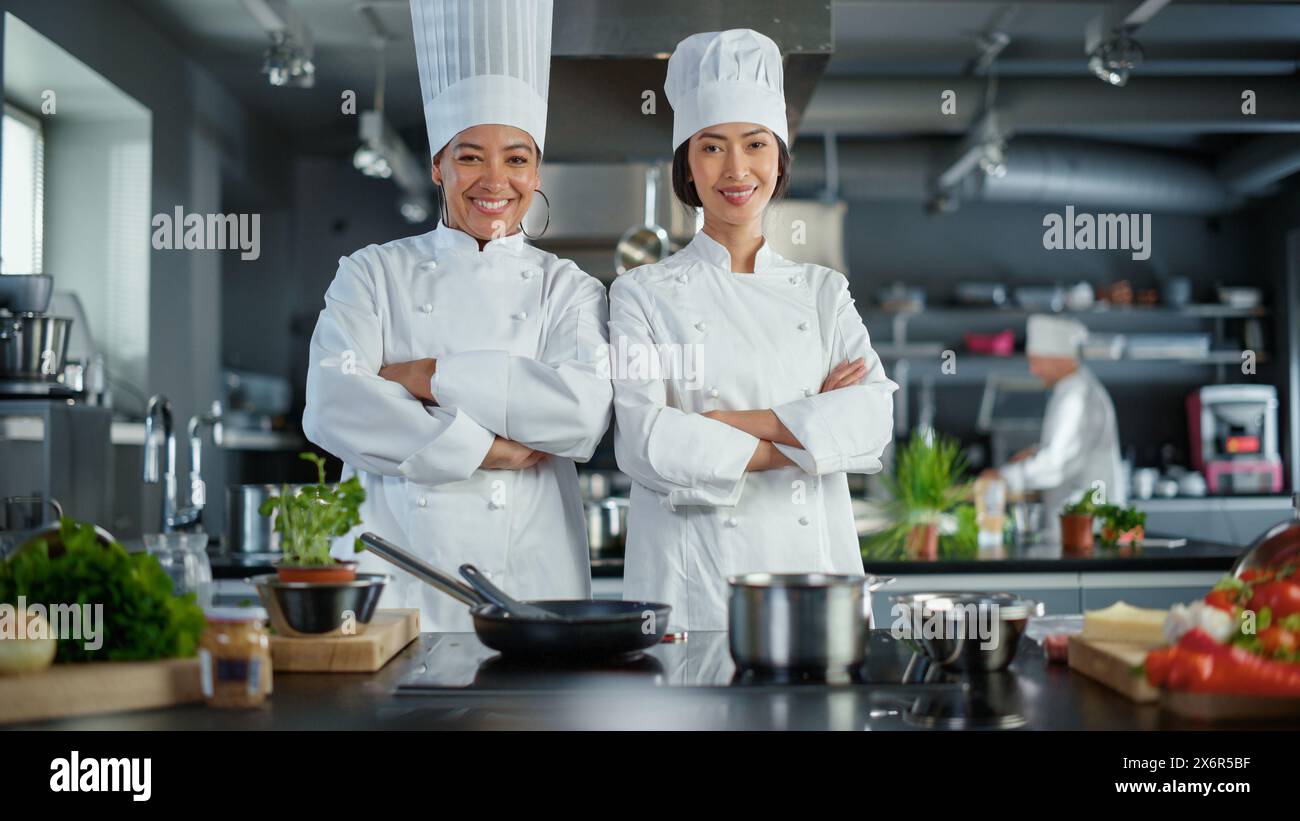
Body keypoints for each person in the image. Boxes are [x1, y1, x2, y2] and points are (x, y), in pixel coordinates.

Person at [302, 0, 612, 631]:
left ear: (536, 170)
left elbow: (579, 417)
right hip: (396, 574)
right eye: (470, 156)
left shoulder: (569, 288)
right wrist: (487, 448)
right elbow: (332, 403)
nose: (494, 180)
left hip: (528, 576)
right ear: (439, 165)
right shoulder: (371, 272)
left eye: (516, 158)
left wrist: (422, 377)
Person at [610, 29, 899, 631]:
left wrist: (728, 425)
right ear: (687, 165)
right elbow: (644, 443)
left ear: (779, 156)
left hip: (811, 583)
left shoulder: (824, 292)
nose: (736, 169)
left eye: (755, 144)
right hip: (693, 590)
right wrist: (811, 432)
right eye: (712, 147)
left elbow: (871, 426)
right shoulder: (640, 292)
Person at [982, 314, 1125, 537]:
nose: (1033, 370)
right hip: (1083, 521)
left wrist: (1004, 477)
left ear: (1057, 358)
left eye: (1036, 361)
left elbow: (1054, 463)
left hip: (1086, 524)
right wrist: (1036, 452)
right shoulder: (1076, 387)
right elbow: (1070, 450)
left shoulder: (1074, 396)